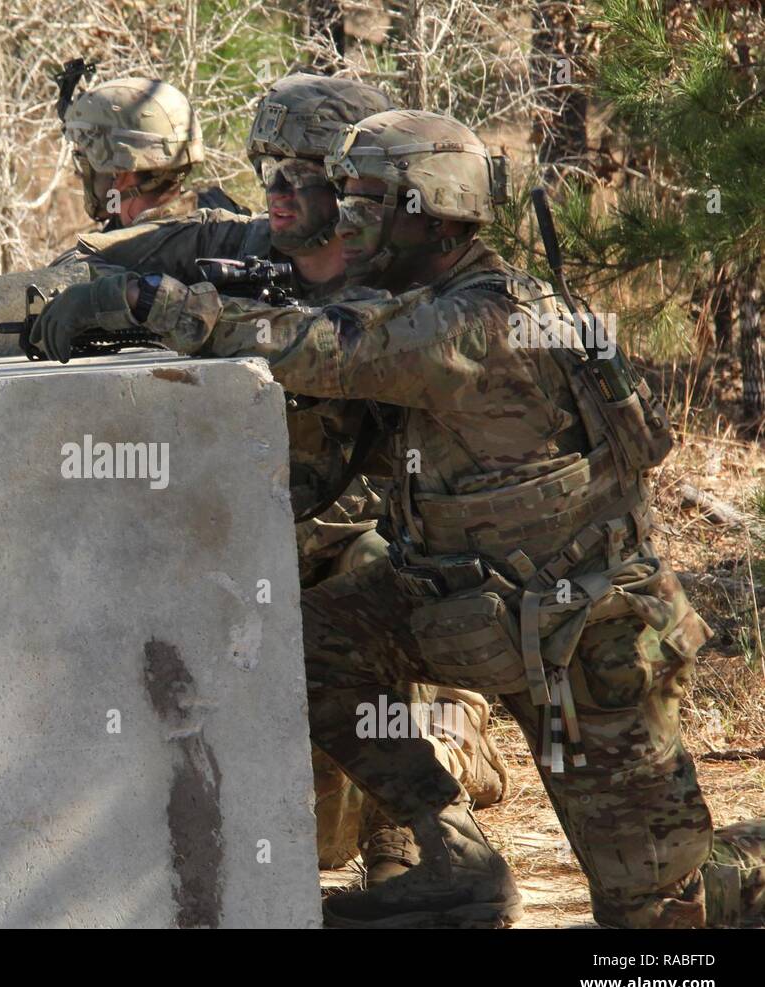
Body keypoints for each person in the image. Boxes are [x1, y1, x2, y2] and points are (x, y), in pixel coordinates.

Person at [32, 108, 765, 929]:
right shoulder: (430, 296)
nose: (341, 215)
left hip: (586, 636)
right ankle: (452, 857)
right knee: (304, 647)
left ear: (426, 208)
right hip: (466, 605)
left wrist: (148, 303)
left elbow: (330, 348)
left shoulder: (475, 322)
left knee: (663, 914)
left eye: (364, 198)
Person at [54, 74, 509, 885]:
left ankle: (414, 838)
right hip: (270, 535)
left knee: (367, 568)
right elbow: (103, 259)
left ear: (357, 186)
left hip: (381, 551)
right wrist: (83, 290)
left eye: (303, 171)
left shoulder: (411, 288)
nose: (278, 191)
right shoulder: (247, 245)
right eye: (267, 167)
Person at [60, 76, 248, 232]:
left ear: (120, 175)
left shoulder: (108, 263)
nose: (79, 173)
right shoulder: (229, 220)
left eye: (85, 161)